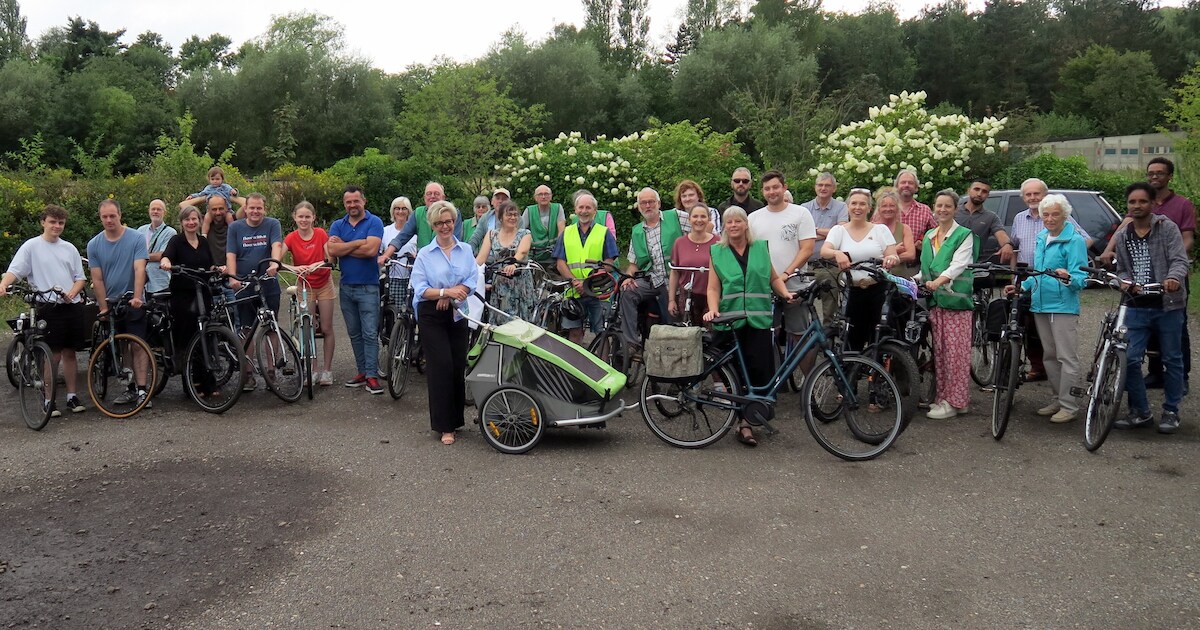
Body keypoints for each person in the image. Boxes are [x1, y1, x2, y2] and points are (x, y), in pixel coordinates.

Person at [704, 206, 795, 447]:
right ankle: (743, 423)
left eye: (738, 221)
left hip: (758, 320)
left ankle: (750, 417)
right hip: (731, 321)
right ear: (724, 227)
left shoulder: (761, 248)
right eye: (729, 222)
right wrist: (713, 308)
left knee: (759, 370)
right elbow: (713, 287)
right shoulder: (717, 252)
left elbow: (773, 278)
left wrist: (786, 294)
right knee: (735, 373)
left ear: (746, 224)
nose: (733, 225)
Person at [1110, 182, 1189, 434]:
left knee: (1172, 359)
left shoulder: (1167, 228)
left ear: (1153, 203)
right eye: (1132, 202)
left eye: (1142, 201)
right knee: (1130, 359)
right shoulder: (1123, 235)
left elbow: (1179, 259)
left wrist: (1174, 278)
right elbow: (1121, 267)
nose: (1137, 206)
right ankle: (1141, 412)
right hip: (1137, 306)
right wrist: (1125, 282)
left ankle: (1171, 411)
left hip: (1168, 305)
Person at [1005, 194, 1087, 423]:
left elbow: (1081, 277)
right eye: (1046, 214)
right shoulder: (1042, 237)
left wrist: (1068, 277)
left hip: (1062, 306)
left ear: (1065, 215)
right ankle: (1058, 399)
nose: (1050, 219)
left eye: (1055, 214)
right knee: (1050, 356)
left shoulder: (1074, 240)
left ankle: (1070, 406)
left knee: (1066, 357)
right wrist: (1020, 287)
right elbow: (1037, 272)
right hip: (1040, 304)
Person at [0, 205, 89, 416]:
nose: (57, 226)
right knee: (53, 354)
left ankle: (72, 396)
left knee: (70, 353)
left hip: (71, 306)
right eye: (52, 222)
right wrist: (4, 284)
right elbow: (15, 270)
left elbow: (80, 278)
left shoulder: (69, 248)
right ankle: (49, 399)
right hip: (48, 306)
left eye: (60, 223)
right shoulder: (31, 247)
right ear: (43, 222)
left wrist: (71, 293)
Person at [410, 200, 478, 445]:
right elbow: (419, 289)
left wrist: (452, 293)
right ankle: (444, 426)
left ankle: (456, 420)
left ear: (454, 222)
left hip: (458, 312)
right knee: (441, 367)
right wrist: (443, 294)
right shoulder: (425, 255)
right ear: (433, 225)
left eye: (448, 221)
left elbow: (472, 279)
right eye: (439, 223)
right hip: (432, 314)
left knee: (457, 365)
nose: (445, 226)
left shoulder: (466, 250)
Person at [87, 199, 152, 407]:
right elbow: (97, 278)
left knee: (137, 344)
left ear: (120, 215)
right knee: (120, 345)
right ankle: (130, 388)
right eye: (104, 217)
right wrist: (103, 306)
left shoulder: (136, 238)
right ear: (100, 218)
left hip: (133, 300)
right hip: (111, 302)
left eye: (112, 216)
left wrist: (138, 296)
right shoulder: (94, 244)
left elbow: (139, 268)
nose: (109, 220)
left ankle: (143, 389)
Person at [919, 190, 978, 419]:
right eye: (939, 205)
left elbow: (958, 265)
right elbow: (926, 269)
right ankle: (944, 398)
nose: (942, 210)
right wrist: (912, 281)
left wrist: (938, 282)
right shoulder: (930, 235)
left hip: (956, 302)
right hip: (937, 302)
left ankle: (956, 401)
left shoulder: (964, 235)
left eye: (948, 206)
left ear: (956, 209)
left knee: (956, 354)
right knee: (941, 353)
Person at [820, 189, 899, 350]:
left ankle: (878, 372)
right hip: (852, 290)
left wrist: (891, 260)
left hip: (878, 288)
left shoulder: (880, 230)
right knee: (853, 338)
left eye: (862, 204)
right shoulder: (838, 231)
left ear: (869, 208)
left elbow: (893, 255)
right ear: (848, 207)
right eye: (854, 203)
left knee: (879, 337)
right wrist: (837, 253)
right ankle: (853, 372)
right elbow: (824, 251)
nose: (858, 207)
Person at [328, 185, 385, 394]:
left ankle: (372, 375)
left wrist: (345, 245)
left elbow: (371, 250)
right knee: (354, 333)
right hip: (346, 286)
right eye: (348, 202)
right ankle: (362, 372)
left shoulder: (375, 222)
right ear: (345, 204)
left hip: (368, 286)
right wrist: (357, 242)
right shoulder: (337, 224)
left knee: (370, 333)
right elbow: (332, 250)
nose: (352, 205)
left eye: (356, 201)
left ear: (364, 201)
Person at [747, 170, 817, 338]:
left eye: (775, 187)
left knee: (799, 333)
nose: (771, 192)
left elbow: (807, 249)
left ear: (784, 187)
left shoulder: (800, 213)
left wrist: (786, 273)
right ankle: (773, 365)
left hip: (795, 285)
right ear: (762, 191)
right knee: (769, 334)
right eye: (767, 188)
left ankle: (802, 365)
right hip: (764, 287)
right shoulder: (753, 218)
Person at [226, 193, 284, 392]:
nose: (255, 211)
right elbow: (231, 254)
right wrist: (233, 277)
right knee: (245, 328)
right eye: (252, 208)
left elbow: (276, 245)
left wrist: (274, 264)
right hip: (244, 283)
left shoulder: (272, 224)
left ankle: (271, 371)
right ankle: (248, 373)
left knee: (271, 325)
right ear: (246, 209)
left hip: (267, 282)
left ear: (264, 209)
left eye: (259, 208)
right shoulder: (235, 227)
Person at [158, 206, 218, 398]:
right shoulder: (176, 241)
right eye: (187, 220)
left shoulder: (203, 241)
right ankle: (190, 384)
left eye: (194, 219)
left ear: (199, 221)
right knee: (187, 340)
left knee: (205, 338)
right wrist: (166, 262)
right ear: (181, 222)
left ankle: (208, 384)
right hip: (183, 296)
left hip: (203, 293)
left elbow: (210, 263)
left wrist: (217, 267)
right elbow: (166, 255)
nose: (191, 223)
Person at [620, 187, 684, 351]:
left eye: (651, 202)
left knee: (672, 323)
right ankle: (631, 343)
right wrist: (628, 278)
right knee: (628, 291)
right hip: (651, 281)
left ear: (659, 203)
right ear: (639, 206)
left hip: (674, 280)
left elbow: (701, 225)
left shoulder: (676, 216)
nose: (648, 206)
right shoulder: (637, 231)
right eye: (643, 203)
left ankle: (674, 354)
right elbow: (633, 264)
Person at [282, 201, 335, 387]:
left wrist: (318, 264)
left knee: (327, 328)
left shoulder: (321, 233)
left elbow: (330, 259)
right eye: (300, 216)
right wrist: (294, 268)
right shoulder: (290, 238)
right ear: (294, 218)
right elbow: (277, 261)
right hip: (304, 285)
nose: (304, 220)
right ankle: (312, 369)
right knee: (308, 328)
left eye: (307, 216)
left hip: (324, 283)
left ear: (313, 217)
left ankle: (327, 370)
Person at [555, 192, 619, 344]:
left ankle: (603, 368)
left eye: (588, 207)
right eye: (581, 207)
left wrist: (588, 282)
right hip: (573, 291)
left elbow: (610, 262)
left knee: (601, 336)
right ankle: (574, 367)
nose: (584, 211)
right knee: (574, 334)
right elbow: (560, 263)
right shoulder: (566, 233)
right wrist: (575, 281)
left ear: (594, 211)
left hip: (598, 290)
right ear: (575, 210)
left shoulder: (603, 232)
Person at [801, 172, 850, 323]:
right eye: (820, 185)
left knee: (830, 309)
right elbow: (801, 236)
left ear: (834, 188)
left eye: (827, 185)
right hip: (806, 265)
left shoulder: (841, 207)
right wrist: (829, 232)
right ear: (815, 187)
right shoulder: (804, 208)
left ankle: (828, 340)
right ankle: (809, 340)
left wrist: (814, 231)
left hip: (829, 266)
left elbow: (841, 231)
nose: (823, 188)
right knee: (803, 307)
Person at [475, 199, 535, 321]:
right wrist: (469, 273)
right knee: (500, 321)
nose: (513, 218)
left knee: (520, 323)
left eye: (515, 215)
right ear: (501, 217)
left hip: (520, 283)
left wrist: (513, 264)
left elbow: (522, 252)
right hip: (500, 284)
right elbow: (481, 258)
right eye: (509, 214)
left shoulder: (525, 233)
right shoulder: (492, 234)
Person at [382, 181, 463, 258]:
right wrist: (386, 255)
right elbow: (402, 236)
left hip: (445, 258)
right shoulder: (418, 213)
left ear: (443, 197)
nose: (432, 196)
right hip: (423, 261)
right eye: (429, 194)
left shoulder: (453, 212)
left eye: (436, 194)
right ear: (424, 198)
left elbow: (454, 240)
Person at [669, 203, 718, 325]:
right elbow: (674, 272)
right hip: (687, 297)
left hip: (711, 296)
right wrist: (671, 300)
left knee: (710, 333)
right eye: (695, 216)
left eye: (703, 216)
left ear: (709, 219)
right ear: (689, 219)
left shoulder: (718, 242)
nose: (699, 220)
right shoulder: (679, 243)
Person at [954, 178, 1014, 266]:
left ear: (988, 195)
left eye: (984, 191)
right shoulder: (954, 212)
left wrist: (1007, 245)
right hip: (951, 263)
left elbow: (1001, 234)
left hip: (976, 266)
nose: (979, 194)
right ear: (968, 190)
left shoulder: (991, 217)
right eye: (976, 189)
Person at [380, 197, 417, 311]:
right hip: (392, 276)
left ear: (408, 211)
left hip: (411, 276)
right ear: (393, 211)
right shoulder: (386, 231)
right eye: (397, 208)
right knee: (394, 308)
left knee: (410, 308)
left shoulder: (415, 233)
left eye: (404, 208)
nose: (400, 211)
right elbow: (380, 252)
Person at [873, 187, 917, 279]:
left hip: (900, 278)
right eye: (884, 206)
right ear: (879, 209)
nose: (888, 209)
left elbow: (911, 254)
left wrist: (883, 256)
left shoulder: (904, 228)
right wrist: (894, 250)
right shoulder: (871, 228)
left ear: (897, 208)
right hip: (876, 278)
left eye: (892, 205)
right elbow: (867, 254)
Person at [137, 199, 176, 294]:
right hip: (142, 283)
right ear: (149, 211)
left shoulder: (170, 232)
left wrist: (139, 257)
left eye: (159, 209)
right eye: (153, 209)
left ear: (164, 213)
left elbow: (162, 255)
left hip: (160, 282)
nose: (155, 211)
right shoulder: (141, 230)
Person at [522, 185, 566, 263]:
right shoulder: (529, 210)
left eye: (546, 194)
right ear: (535, 198)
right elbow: (521, 231)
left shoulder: (558, 208)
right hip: (534, 253)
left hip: (553, 252)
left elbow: (561, 229)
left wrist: (559, 249)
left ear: (551, 196)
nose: (543, 197)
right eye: (540, 194)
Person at [894, 169, 936, 252]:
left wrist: (924, 242)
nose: (906, 185)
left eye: (910, 183)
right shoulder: (886, 209)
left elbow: (936, 234)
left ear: (916, 188)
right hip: (889, 260)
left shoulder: (925, 210)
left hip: (917, 261)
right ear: (896, 186)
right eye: (903, 182)